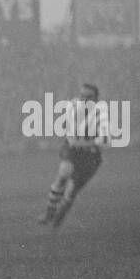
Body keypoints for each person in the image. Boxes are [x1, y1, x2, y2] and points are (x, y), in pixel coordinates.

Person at [38, 82, 105, 228]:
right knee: (63, 174)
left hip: (90, 156)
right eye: (82, 96)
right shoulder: (72, 106)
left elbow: (104, 141)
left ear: (96, 100)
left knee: (72, 190)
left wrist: (83, 143)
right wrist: (70, 136)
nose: (84, 100)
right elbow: (65, 126)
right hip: (72, 150)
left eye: (89, 97)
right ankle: (49, 212)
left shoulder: (101, 115)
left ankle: (60, 215)